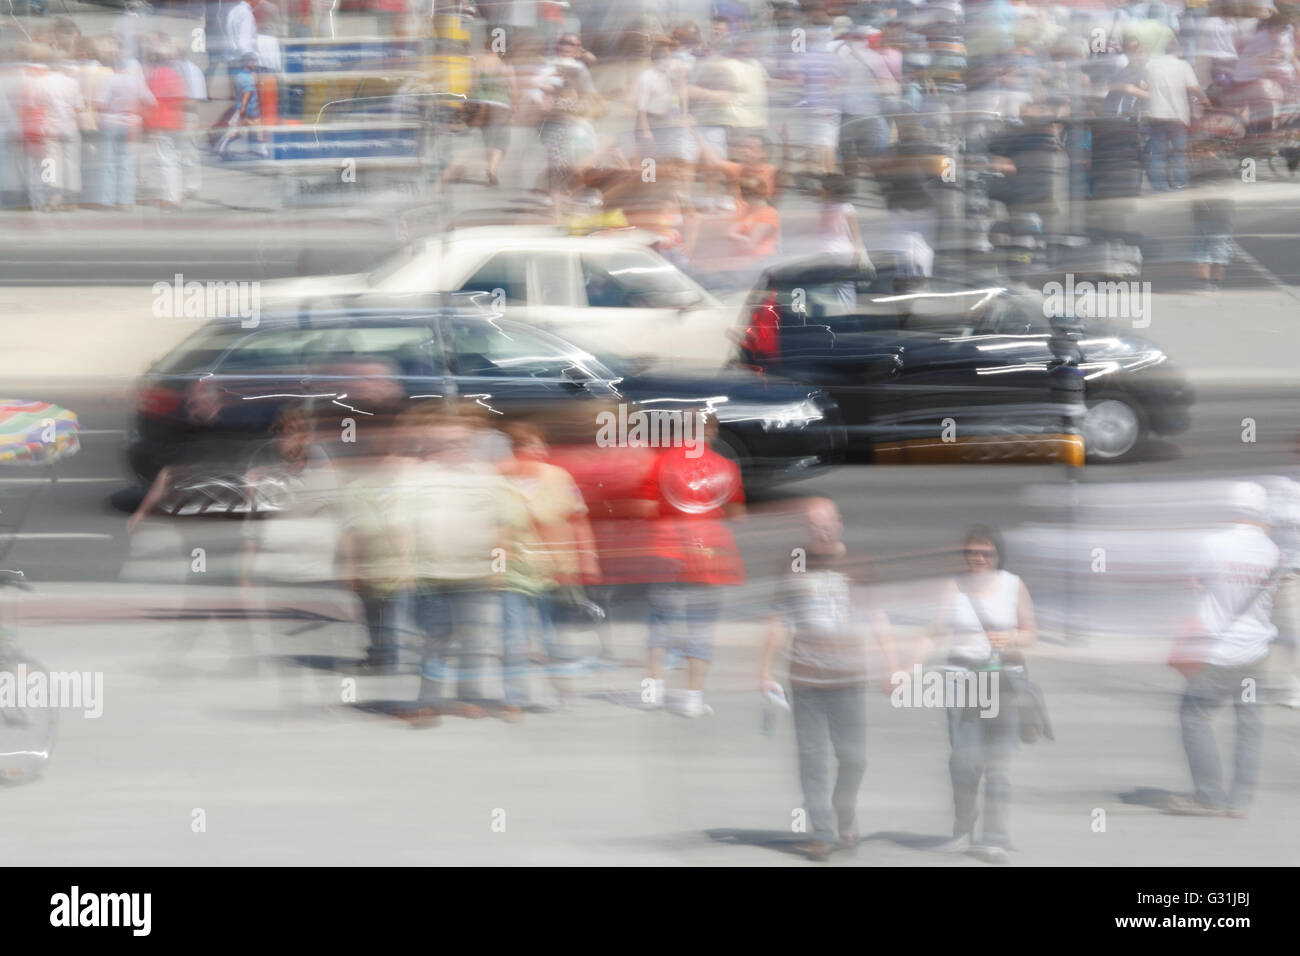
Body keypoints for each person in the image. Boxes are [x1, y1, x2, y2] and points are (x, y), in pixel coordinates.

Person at [759, 498, 898, 861]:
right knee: (812, 757)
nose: (820, 529)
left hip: (848, 678)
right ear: (807, 528)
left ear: (839, 523)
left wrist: (892, 664)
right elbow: (779, 619)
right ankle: (821, 832)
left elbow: (877, 616)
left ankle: (844, 810)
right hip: (805, 678)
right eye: (813, 524)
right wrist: (764, 669)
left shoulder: (859, 563)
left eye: (826, 523)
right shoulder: (794, 563)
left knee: (854, 758)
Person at [912, 526, 1038, 864]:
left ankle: (994, 837)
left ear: (998, 556)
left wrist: (1011, 638)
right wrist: (911, 666)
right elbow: (935, 632)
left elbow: (1030, 632)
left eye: (986, 554)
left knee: (998, 764)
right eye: (972, 553)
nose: (978, 559)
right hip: (960, 680)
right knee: (963, 761)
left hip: (1002, 681)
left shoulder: (1013, 585)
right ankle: (962, 829)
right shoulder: (953, 587)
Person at [1166, 483, 1281, 817]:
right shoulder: (1272, 551)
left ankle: (1209, 795)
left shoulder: (1212, 544)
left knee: (1193, 716)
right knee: (1249, 726)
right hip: (1256, 651)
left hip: (1218, 652)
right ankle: (1240, 801)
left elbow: (1193, 582)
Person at [400, 408, 514, 726]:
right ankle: (429, 700)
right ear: (433, 444)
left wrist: (499, 566)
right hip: (431, 572)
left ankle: (470, 697)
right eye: (449, 442)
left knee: (475, 640)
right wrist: (406, 564)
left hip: (477, 572)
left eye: (463, 442)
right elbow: (404, 527)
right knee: (434, 638)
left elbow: (502, 525)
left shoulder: (487, 476)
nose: (457, 447)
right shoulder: (417, 477)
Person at [635, 409, 746, 718]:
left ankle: (653, 692)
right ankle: (692, 699)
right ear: (711, 433)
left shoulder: (661, 462)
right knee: (701, 624)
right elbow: (737, 514)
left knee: (660, 620)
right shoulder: (726, 467)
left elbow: (645, 508)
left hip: (666, 550)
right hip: (708, 554)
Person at [496, 422, 600, 715]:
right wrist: (495, 568)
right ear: (514, 451)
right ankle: (514, 699)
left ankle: (562, 690)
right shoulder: (496, 480)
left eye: (540, 444)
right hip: (512, 571)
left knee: (551, 635)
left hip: (554, 569)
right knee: (514, 637)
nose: (538, 451)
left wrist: (588, 559)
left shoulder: (560, 477)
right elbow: (493, 530)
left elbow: (578, 519)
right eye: (529, 445)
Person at [1144, 43, 1208, 191]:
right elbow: (1193, 87)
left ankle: (1159, 186)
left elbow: (1145, 86)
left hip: (1156, 114)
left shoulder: (1150, 65)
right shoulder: (1183, 65)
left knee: (1158, 153)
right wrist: (1205, 100)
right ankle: (1179, 183)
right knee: (1179, 152)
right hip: (1177, 116)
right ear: (1178, 52)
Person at [95, 49, 155, 209]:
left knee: (107, 163)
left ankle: (107, 200)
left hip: (110, 123)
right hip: (131, 125)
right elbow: (151, 101)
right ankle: (125, 201)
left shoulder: (109, 79)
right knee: (127, 163)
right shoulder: (137, 81)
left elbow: (100, 104)